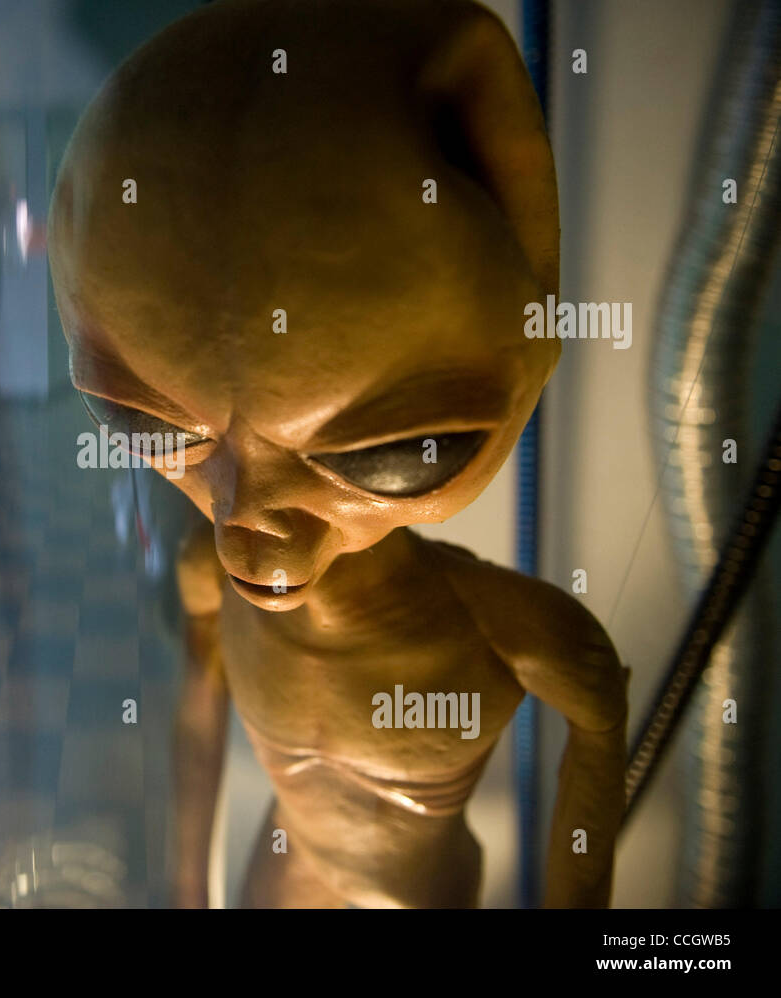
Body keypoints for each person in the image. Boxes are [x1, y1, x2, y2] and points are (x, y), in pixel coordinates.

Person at [49, 0, 628, 907]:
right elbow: (198, 715)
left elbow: (598, 728)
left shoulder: (501, 635)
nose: (251, 536)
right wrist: (182, 888)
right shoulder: (212, 585)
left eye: (391, 454)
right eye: (155, 431)